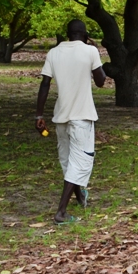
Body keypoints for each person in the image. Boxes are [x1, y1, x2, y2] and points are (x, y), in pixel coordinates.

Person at [35, 19, 107, 224]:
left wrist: (39, 116)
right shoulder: (90, 51)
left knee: (68, 161)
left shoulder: (54, 53)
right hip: (82, 117)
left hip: (61, 117)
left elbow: (45, 85)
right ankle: (61, 213)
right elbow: (101, 82)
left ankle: (80, 197)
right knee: (81, 163)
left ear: (68, 35)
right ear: (85, 35)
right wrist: (96, 57)